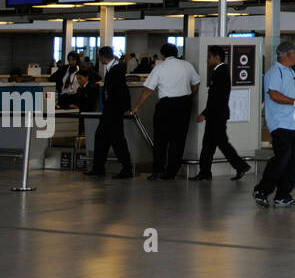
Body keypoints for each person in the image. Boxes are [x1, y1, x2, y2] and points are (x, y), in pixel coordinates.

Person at [255, 40, 295, 207]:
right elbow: (274, 95)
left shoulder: (291, 73)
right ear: (287, 55)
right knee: (282, 158)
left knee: (293, 162)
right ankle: (262, 189)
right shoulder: (275, 72)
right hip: (281, 123)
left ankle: (283, 195)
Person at [130, 42, 200, 180]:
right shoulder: (187, 65)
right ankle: (171, 172)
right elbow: (196, 83)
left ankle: (158, 170)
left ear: (163, 55)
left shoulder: (159, 67)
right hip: (184, 105)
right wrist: (190, 96)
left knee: (161, 139)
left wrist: (137, 106)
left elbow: (148, 90)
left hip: (166, 106)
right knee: (178, 140)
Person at [190, 45, 249, 182]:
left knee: (220, 143)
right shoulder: (219, 71)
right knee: (209, 144)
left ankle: (240, 165)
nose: (207, 59)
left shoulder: (221, 71)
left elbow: (217, 97)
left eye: (209, 57)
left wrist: (205, 113)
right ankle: (205, 172)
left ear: (217, 57)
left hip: (217, 115)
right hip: (216, 114)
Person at [86, 46, 133, 179]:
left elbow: (122, 90)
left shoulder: (116, 70)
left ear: (102, 57)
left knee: (117, 139)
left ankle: (126, 168)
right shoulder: (113, 68)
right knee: (101, 138)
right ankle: (98, 167)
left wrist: (125, 107)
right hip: (110, 109)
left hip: (114, 109)